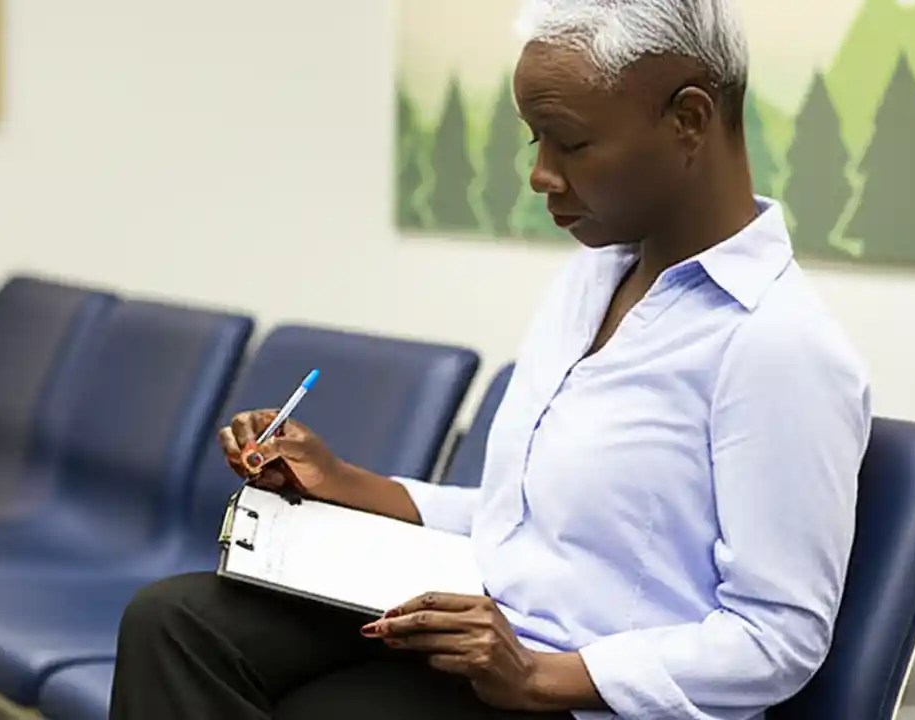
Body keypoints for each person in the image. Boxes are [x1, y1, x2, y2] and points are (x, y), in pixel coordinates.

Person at [109, 0, 871, 717]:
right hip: (482, 633)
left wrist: (542, 676)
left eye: (569, 141)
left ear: (689, 120)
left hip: (570, 693)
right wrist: (346, 485)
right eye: (533, 138)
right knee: (174, 622)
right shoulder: (593, 281)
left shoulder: (777, 346)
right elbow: (527, 517)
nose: (541, 172)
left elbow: (778, 637)